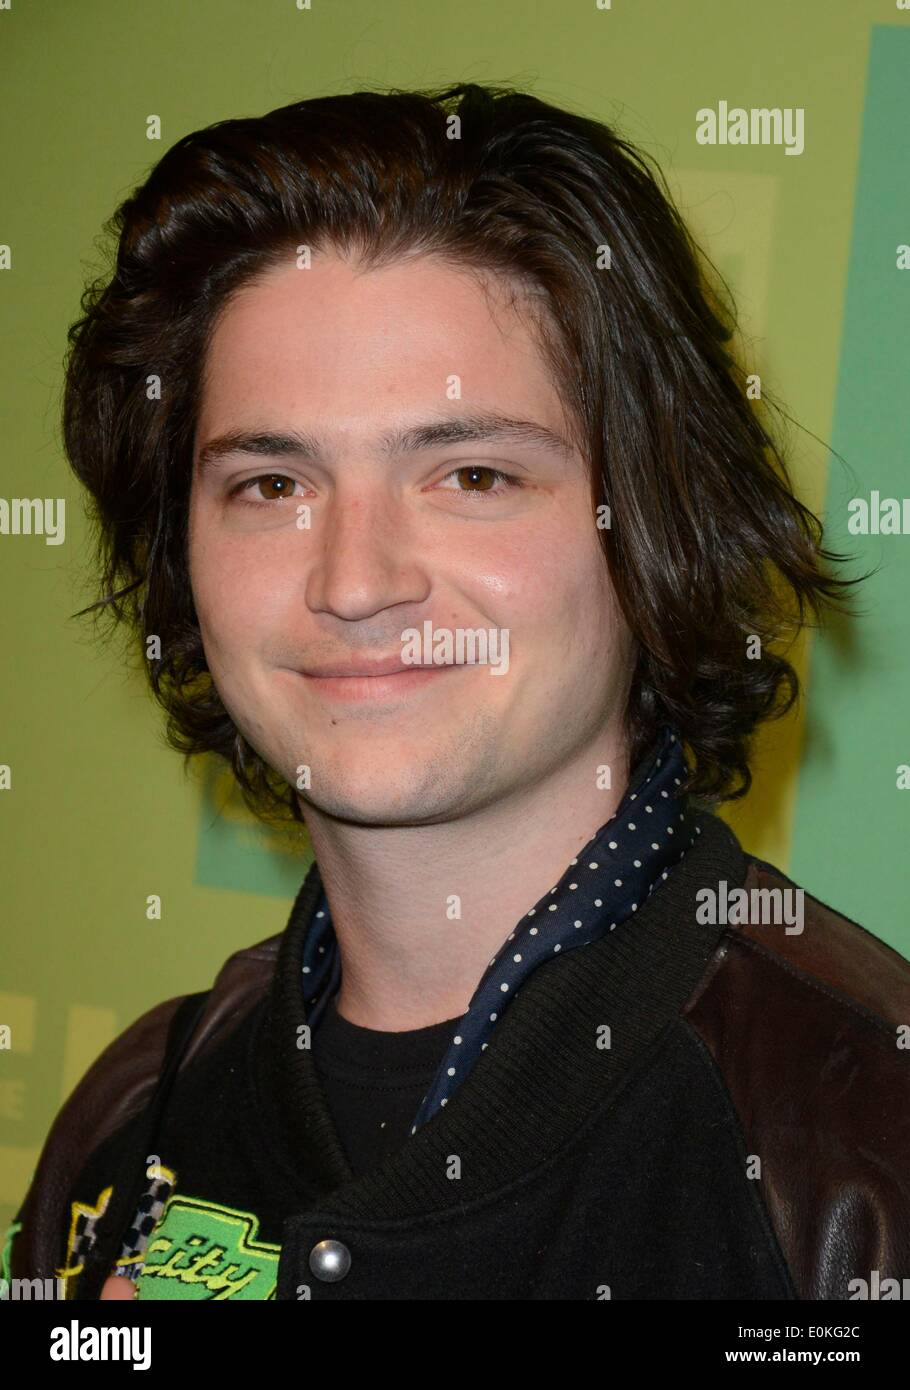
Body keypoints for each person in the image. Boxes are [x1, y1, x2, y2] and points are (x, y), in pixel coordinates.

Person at [5, 81, 909, 1302]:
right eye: (272, 485)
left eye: (471, 473)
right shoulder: (130, 1113)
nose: (355, 580)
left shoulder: (861, 1136)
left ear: (648, 522)